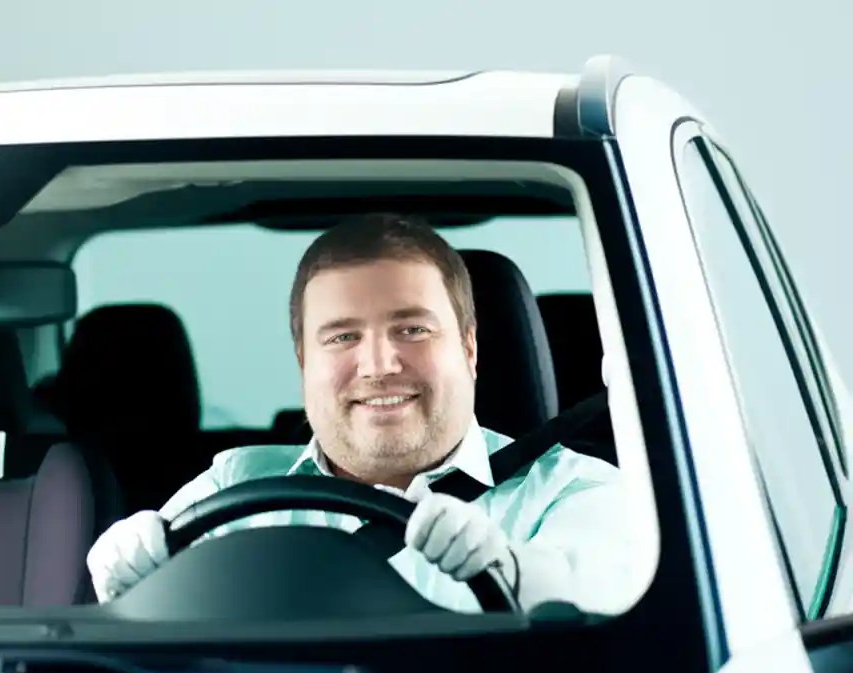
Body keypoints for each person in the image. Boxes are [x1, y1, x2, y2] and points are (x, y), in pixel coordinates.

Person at [85, 213, 640, 614]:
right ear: (304, 362)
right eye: (343, 336)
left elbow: (593, 590)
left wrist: (512, 569)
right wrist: (123, 584)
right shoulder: (232, 488)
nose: (378, 364)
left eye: (412, 330)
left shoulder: (573, 490)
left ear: (469, 349)